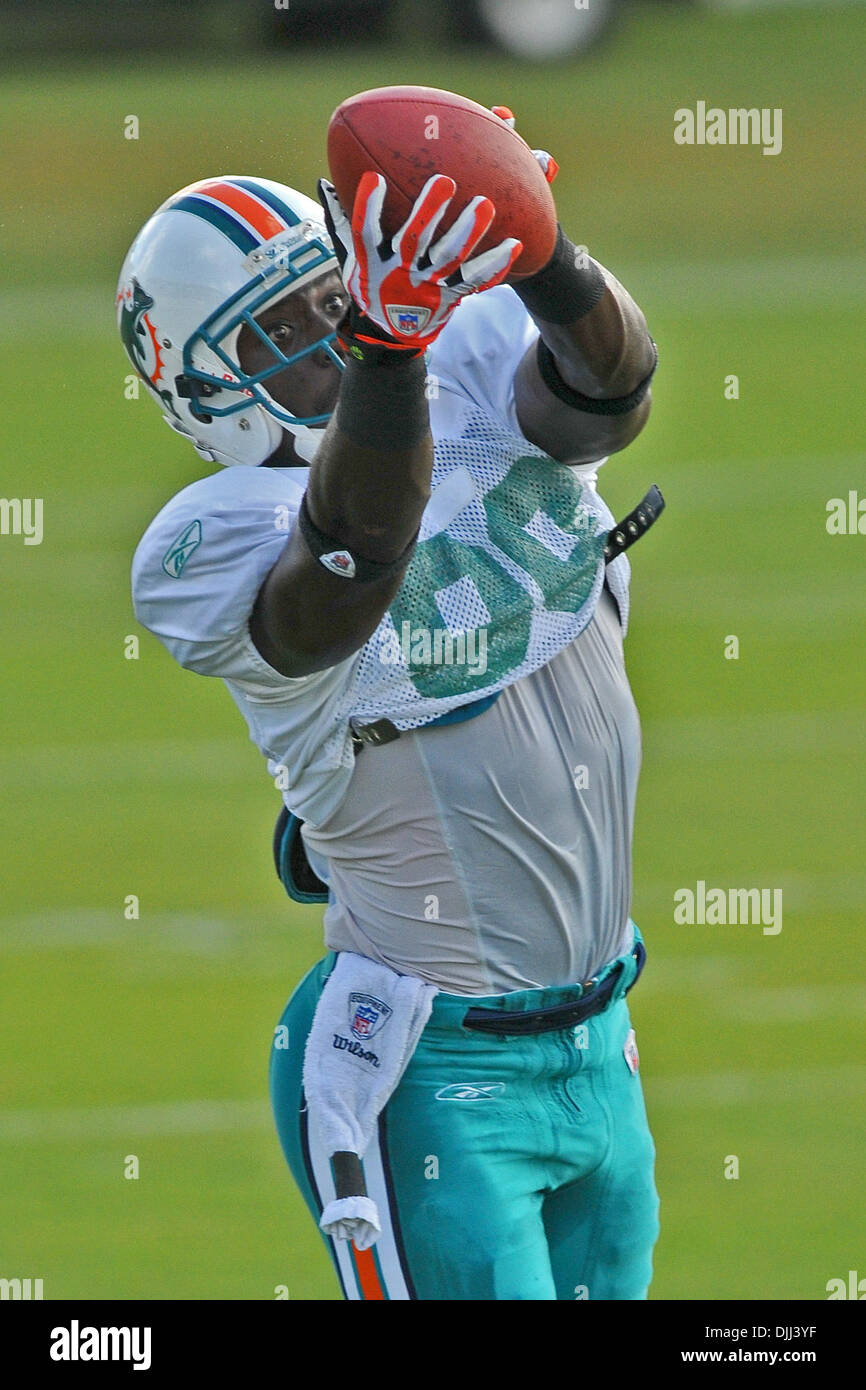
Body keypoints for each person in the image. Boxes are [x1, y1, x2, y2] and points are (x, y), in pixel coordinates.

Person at [121, 111, 662, 1300]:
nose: (320, 336)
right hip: (429, 1064)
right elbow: (351, 561)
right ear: (201, 385)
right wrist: (387, 348)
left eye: (326, 297)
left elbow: (609, 392)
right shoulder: (204, 542)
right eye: (277, 330)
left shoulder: (453, 355)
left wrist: (540, 250)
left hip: (598, 1038)